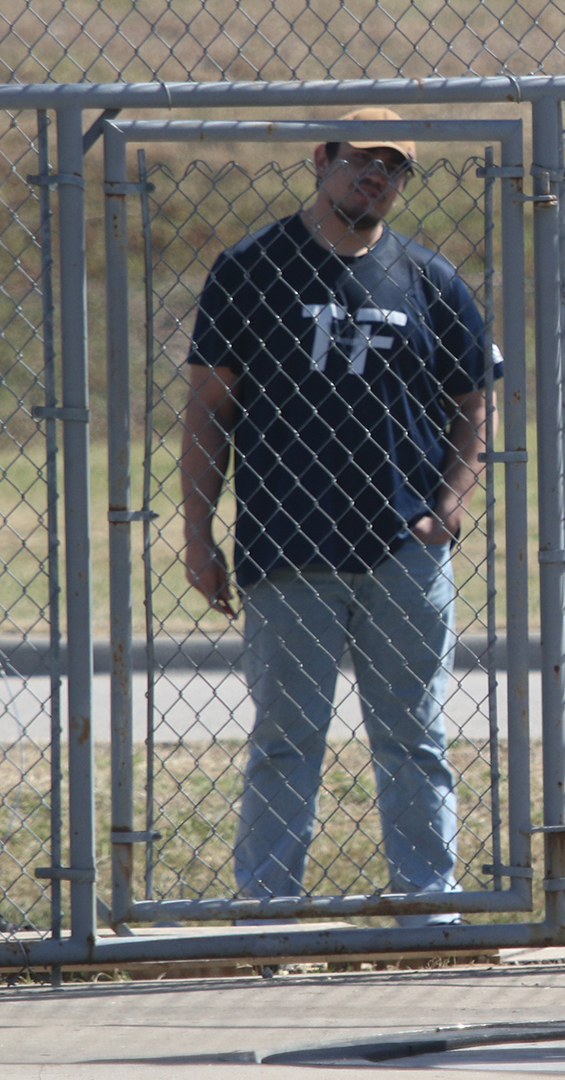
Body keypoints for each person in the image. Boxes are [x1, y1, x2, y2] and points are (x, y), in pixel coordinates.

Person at [180, 108, 497, 926]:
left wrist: (447, 509)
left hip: (402, 545)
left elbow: (473, 405)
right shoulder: (251, 268)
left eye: (394, 167)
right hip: (288, 543)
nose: (376, 178)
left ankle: (430, 915)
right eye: (361, 160)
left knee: (414, 739)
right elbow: (211, 407)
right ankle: (266, 914)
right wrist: (197, 531)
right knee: (287, 742)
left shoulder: (429, 278)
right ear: (321, 159)